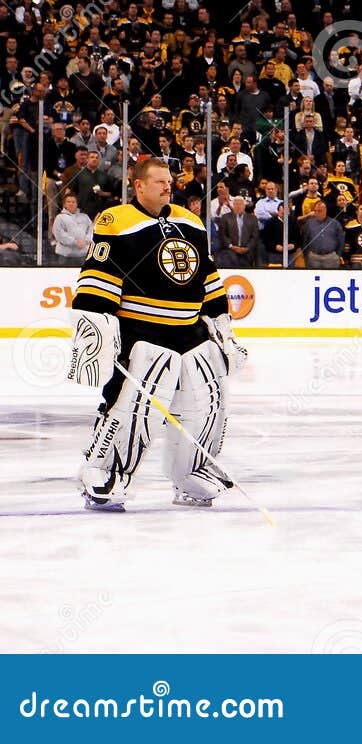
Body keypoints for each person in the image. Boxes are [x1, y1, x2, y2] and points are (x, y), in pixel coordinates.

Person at [66, 157, 248, 511]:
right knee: (134, 407)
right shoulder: (116, 221)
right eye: (160, 181)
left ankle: (192, 471)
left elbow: (207, 277)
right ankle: (106, 472)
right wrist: (96, 332)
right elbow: (98, 278)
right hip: (142, 332)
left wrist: (223, 327)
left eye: (169, 181)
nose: (168, 186)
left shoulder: (191, 221)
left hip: (191, 331)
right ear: (138, 185)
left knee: (208, 403)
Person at [216, 195, 261, 267]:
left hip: (247, 250)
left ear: (244, 206)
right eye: (236, 204)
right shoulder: (226, 217)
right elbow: (222, 234)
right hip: (231, 250)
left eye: (240, 204)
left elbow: (255, 236)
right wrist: (231, 246)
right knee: (229, 257)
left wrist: (247, 248)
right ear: (233, 205)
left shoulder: (253, 218)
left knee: (256, 253)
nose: (238, 206)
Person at [51, 193, 94, 265]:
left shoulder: (85, 217)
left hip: (83, 255)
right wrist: (75, 242)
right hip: (65, 256)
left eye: (73, 202)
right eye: (68, 202)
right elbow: (59, 234)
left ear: (77, 204)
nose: (71, 204)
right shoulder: (60, 218)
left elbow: (91, 230)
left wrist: (86, 241)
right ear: (64, 204)